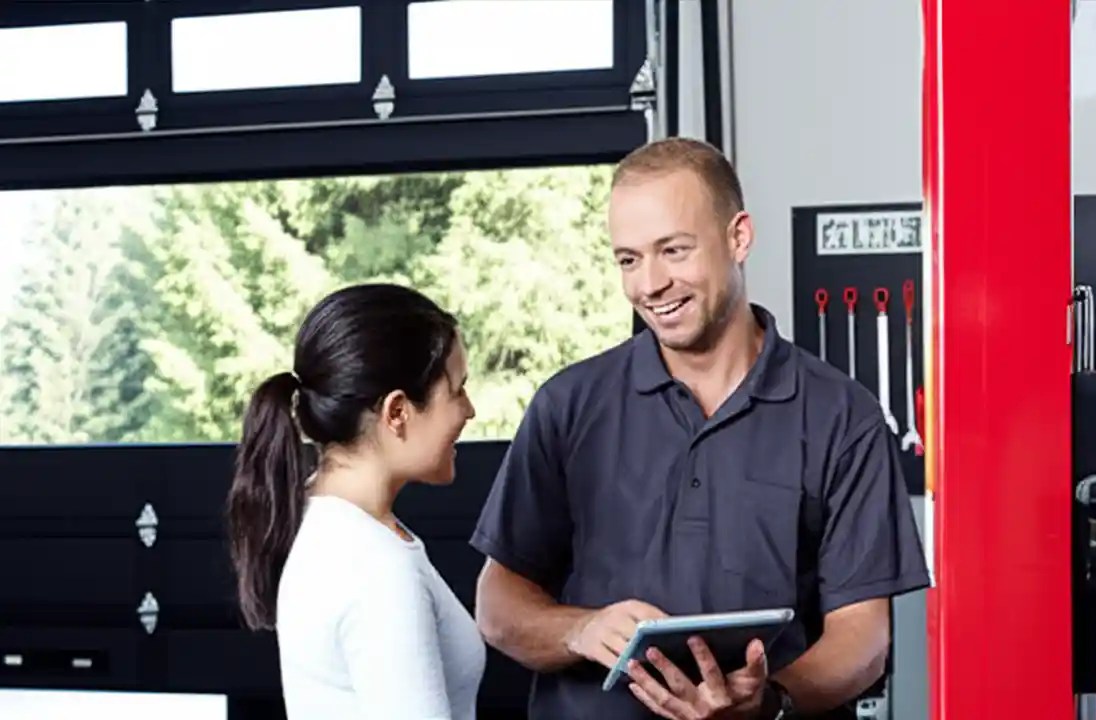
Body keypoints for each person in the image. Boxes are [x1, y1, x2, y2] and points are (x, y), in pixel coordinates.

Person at [470, 137, 930, 720]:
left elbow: (863, 637)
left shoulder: (843, 417)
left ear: (738, 237)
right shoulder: (568, 404)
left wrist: (769, 701)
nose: (649, 285)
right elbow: (498, 604)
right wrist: (579, 629)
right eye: (629, 259)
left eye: (674, 250)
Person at [226, 283, 485, 720]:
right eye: (457, 390)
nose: (469, 410)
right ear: (397, 411)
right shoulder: (376, 566)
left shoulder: (326, 522)